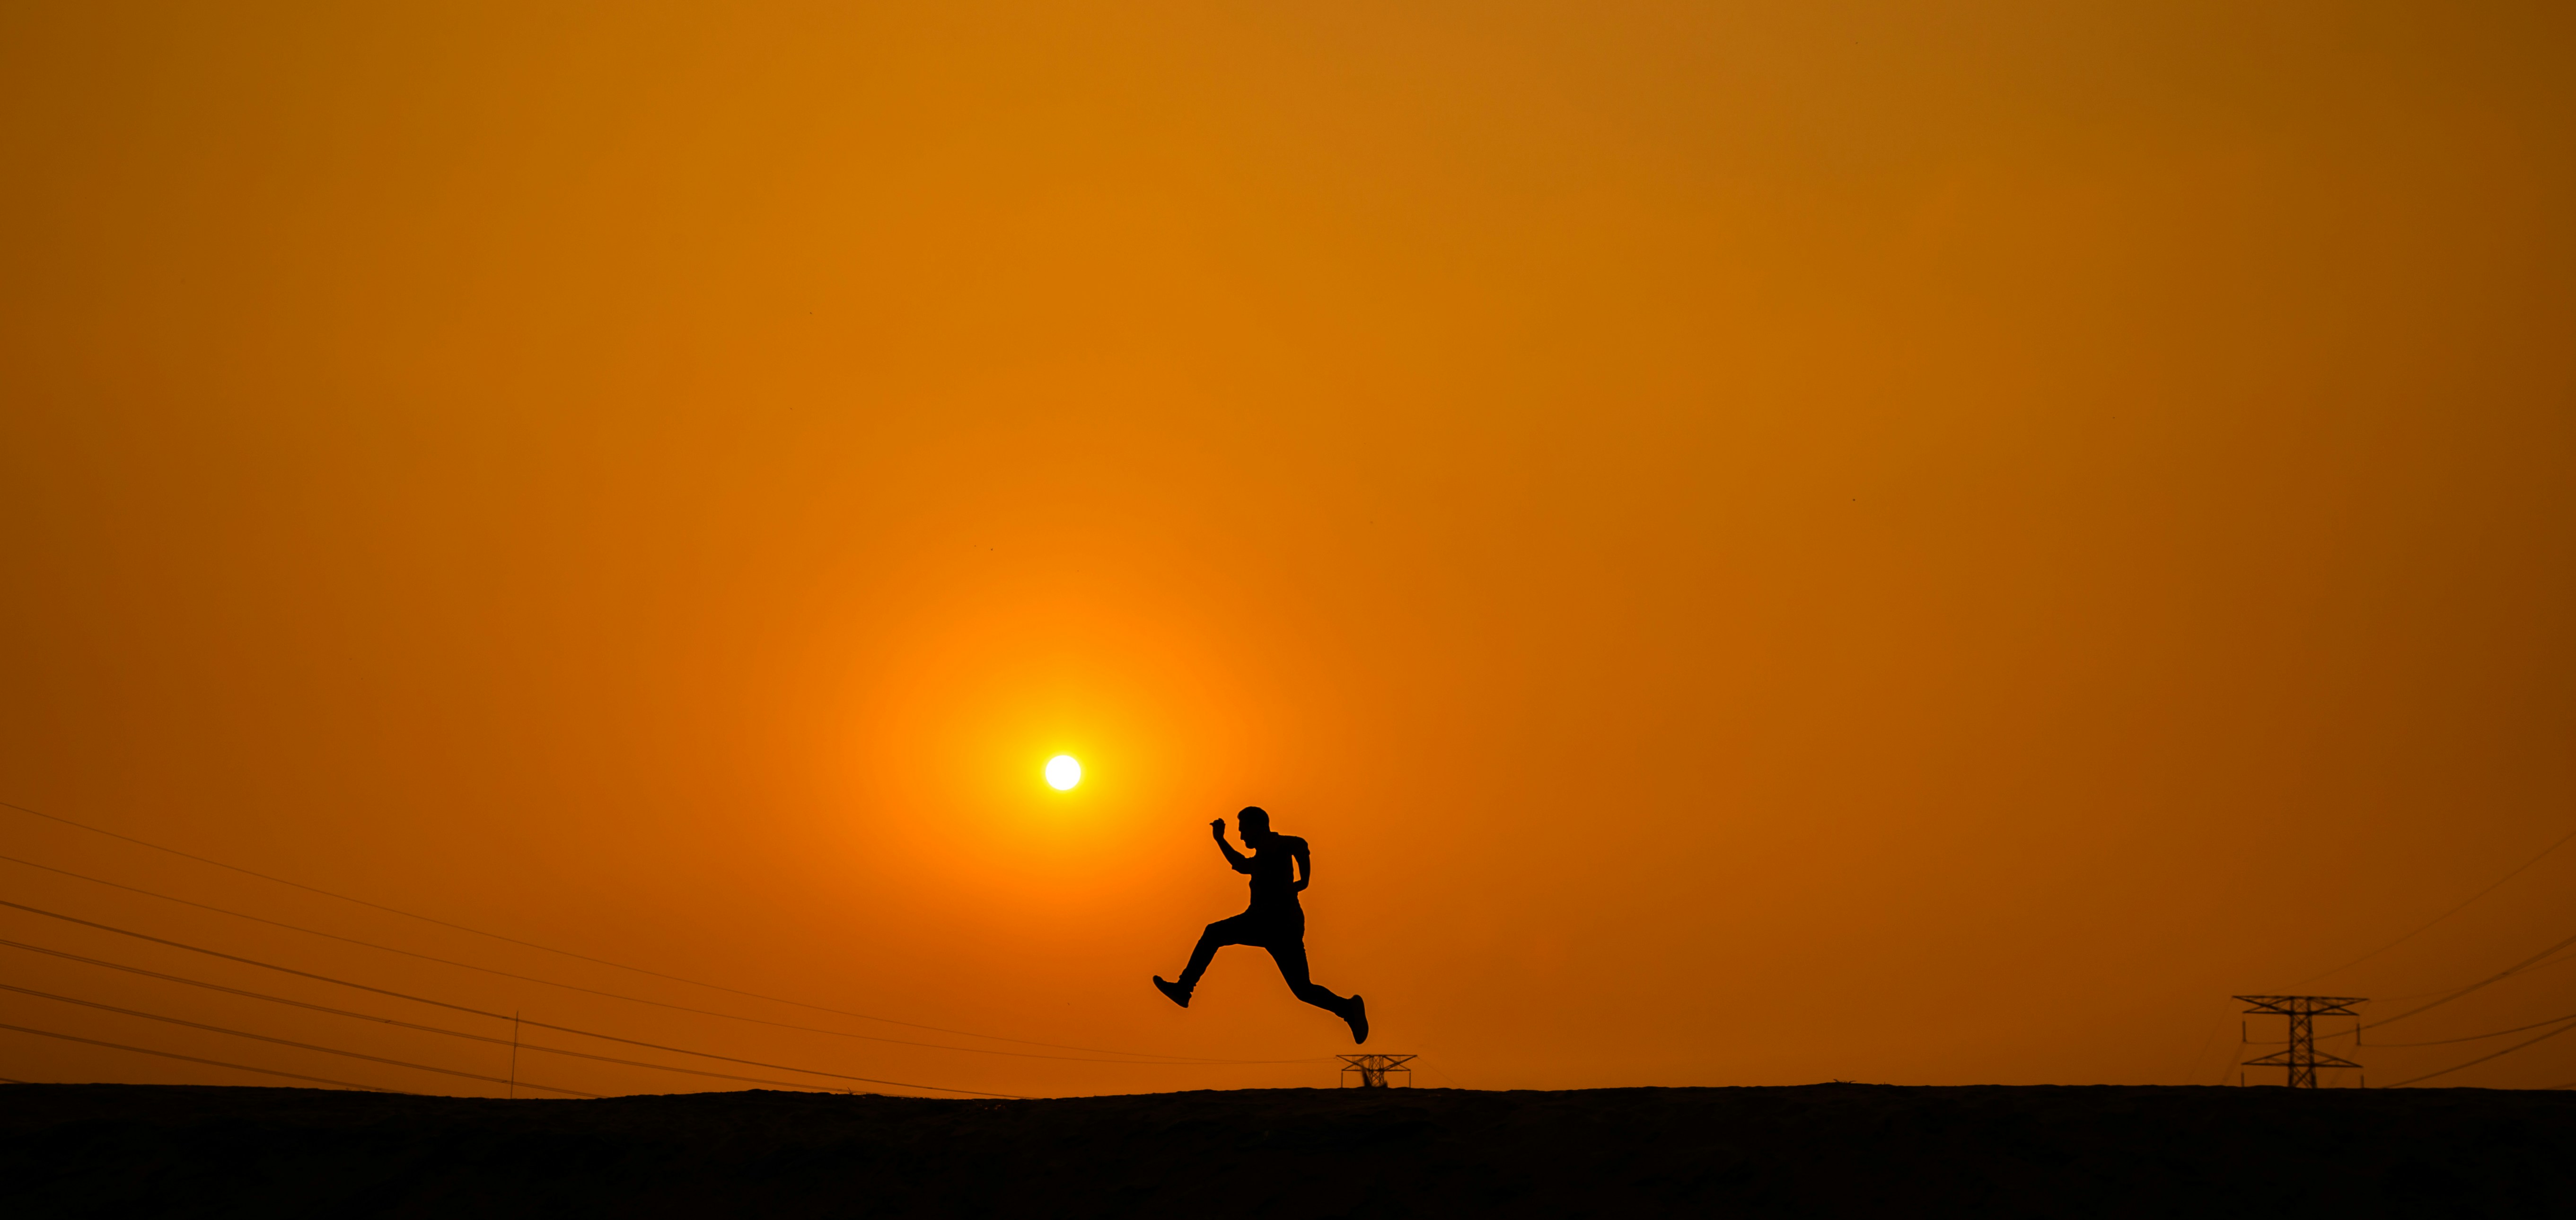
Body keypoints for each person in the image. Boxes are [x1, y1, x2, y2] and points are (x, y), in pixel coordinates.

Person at [1153, 806, 1368, 1043]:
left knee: (1214, 933)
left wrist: (1304, 880)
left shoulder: (1275, 845)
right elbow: (1244, 866)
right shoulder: (1264, 855)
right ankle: (1348, 1009)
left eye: (1244, 831)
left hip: (1271, 921)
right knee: (1303, 989)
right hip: (1278, 926)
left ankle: (1184, 988)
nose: (1243, 837)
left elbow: (1300, 845)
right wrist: (1220, 840)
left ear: (1258, 827)